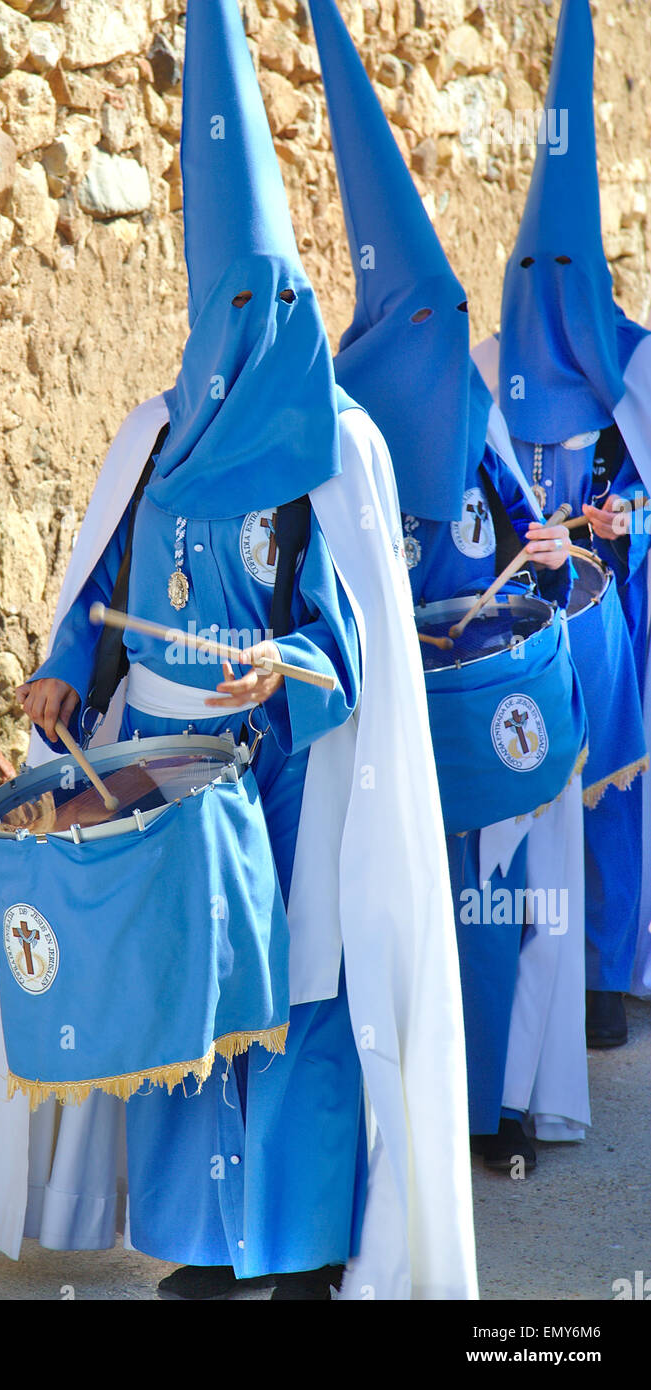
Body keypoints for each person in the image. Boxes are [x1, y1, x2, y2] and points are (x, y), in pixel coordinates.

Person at [0, 0, 476, 1301]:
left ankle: (296, 1249)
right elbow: (111, 570)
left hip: (292, 785)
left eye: (262, 298)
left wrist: (278, 671)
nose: (238, 326)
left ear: (291, 301)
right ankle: (199, 1238)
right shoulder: (157, 428)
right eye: (218, 300)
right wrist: (70, 659)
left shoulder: (335, 447)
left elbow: (352, 642)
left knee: (291, 1008)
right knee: (187, 1006)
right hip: (164, 771)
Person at [308, 0, 590, 1171]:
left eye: (454, 320)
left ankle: (498, 1104)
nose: (448, 339)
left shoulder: (476, 425)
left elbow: (529, 532)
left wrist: (550, 550)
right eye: (426, 321)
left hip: (483, 711)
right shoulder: (346, 438)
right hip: (395, 721)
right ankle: (404, 1113)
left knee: (504, 908)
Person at [476, 0, 651, 1048]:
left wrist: (612, 519)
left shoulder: (630, 377)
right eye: (530, 270)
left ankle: (601, 973)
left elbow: (643, 498)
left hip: (604, 627)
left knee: (607, 799)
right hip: (506, 626)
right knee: (523, 798)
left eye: (563, 274)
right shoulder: (481, 372)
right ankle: (523, 978)